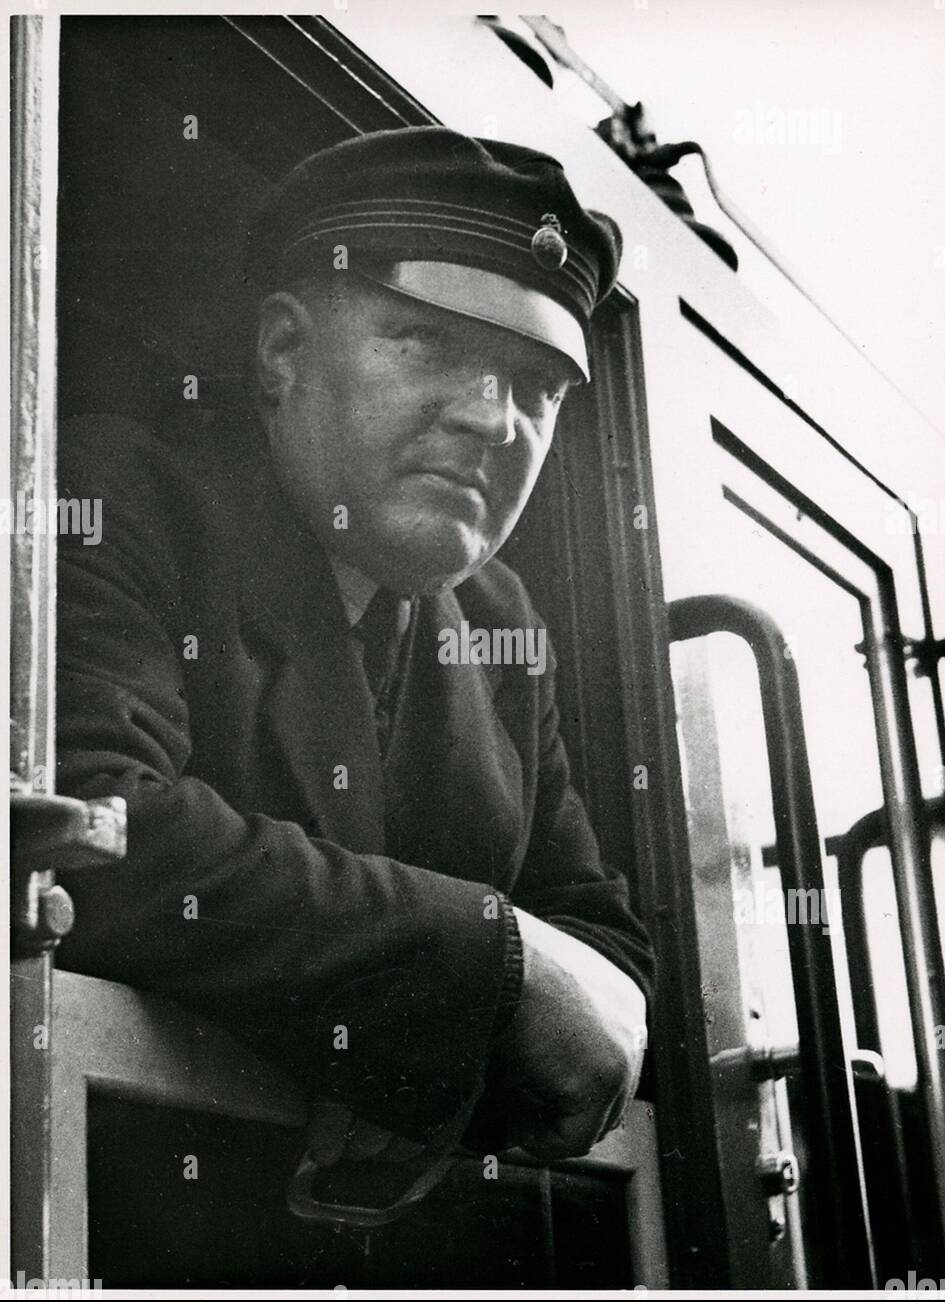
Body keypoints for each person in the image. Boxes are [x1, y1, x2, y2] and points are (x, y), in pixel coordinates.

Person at [55, 127, 655, 1211]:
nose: (490, 416)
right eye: (423, 341)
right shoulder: (114, 497)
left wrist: (415, 1042)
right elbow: (94, 837)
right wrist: (483, 973)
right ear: (282, 351)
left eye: (536, 382)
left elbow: (604, 957)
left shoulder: (500, 623)